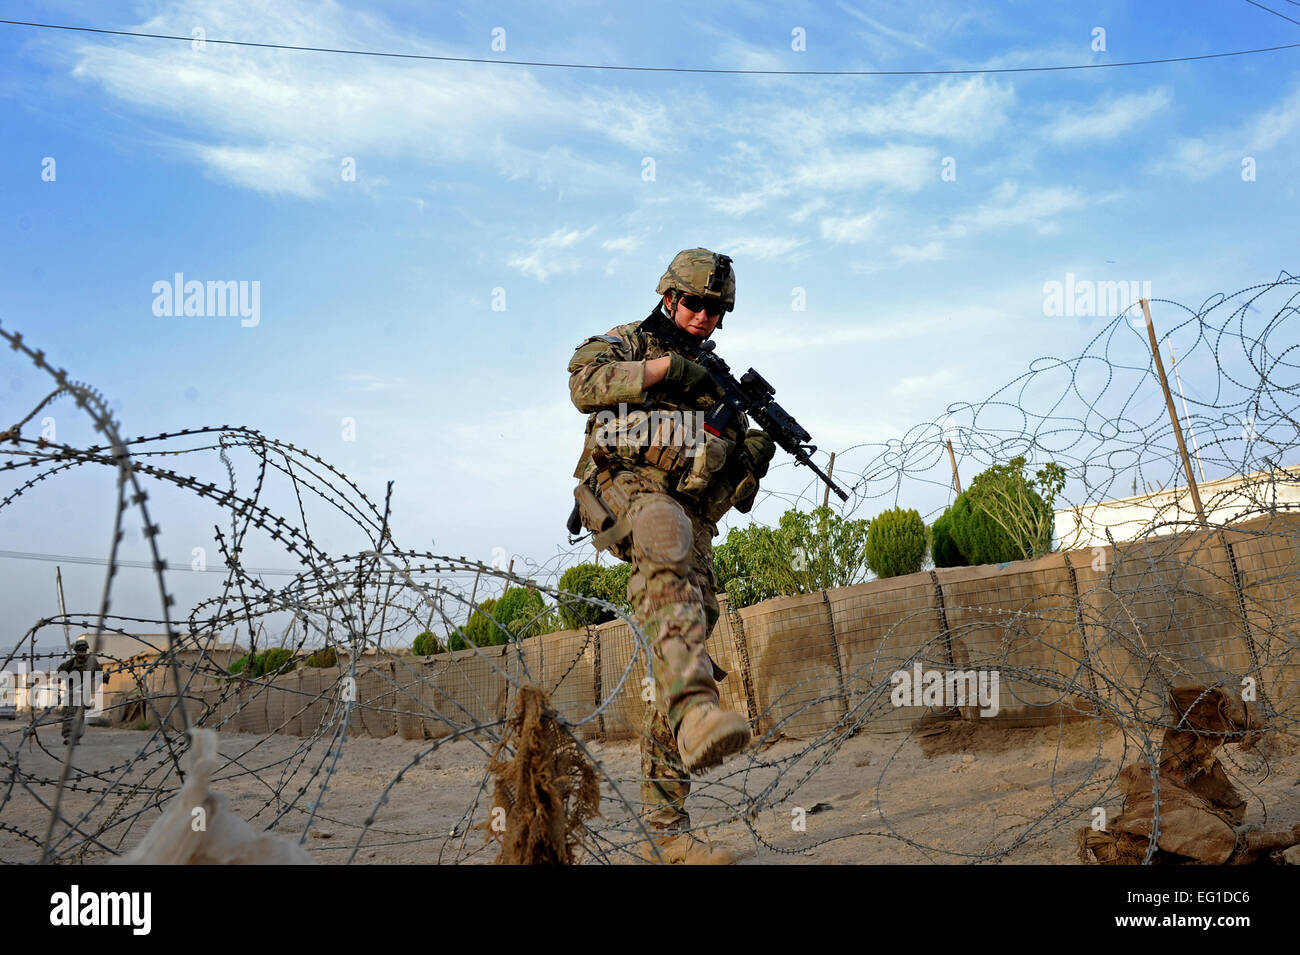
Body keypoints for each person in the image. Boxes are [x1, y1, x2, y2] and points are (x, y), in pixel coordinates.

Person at [567, 248, 775, 863]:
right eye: (695, 304)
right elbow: (583, 385)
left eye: (716, 311)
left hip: (689, 522)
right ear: (669, 297)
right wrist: (664, 372)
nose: (704, 318)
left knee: (687, 641)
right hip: (627, 488)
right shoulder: (629, 342)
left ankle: (667, 827)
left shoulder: (719, 378)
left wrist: (747, 458)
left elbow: (727, 495)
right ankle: (693, 710)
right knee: (659, 527)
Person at [56, 637, 102, 745]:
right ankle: (68, 736)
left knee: (79, 715)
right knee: (69, 714)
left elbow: (99, 674)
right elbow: (60, 671)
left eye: (84, 650)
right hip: (72, 692)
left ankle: (76, 738)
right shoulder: (71, 663)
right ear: (76, 651)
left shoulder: (92, 662)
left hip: (84, 692)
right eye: (80, 651)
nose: (82, 652)